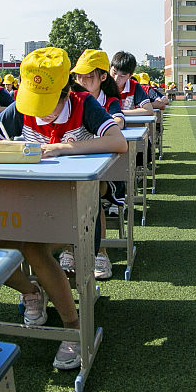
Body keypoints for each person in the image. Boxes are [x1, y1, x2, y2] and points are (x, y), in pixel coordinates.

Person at [0, 47, 127, 370]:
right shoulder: (21, 108)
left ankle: (73, 329)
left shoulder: (84, 105)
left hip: (72, 203)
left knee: (32, 249)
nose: (40, 113)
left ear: (65, 90)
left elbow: (117, 142)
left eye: (47, 102)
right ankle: (32, 291)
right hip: (27, 199)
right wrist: (17, 150)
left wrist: (65, 147)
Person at [69, 48, 125, 279]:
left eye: (88, 76)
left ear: (103, 77)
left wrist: (103, 127)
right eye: (79, 76)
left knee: (90, 192)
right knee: (69, 190)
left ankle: (100, 252)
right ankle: (68, 249)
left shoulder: (108, 101)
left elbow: (118, 122)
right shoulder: (71, 100)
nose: (82, 81)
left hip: (106, 171)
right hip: (74, 166)